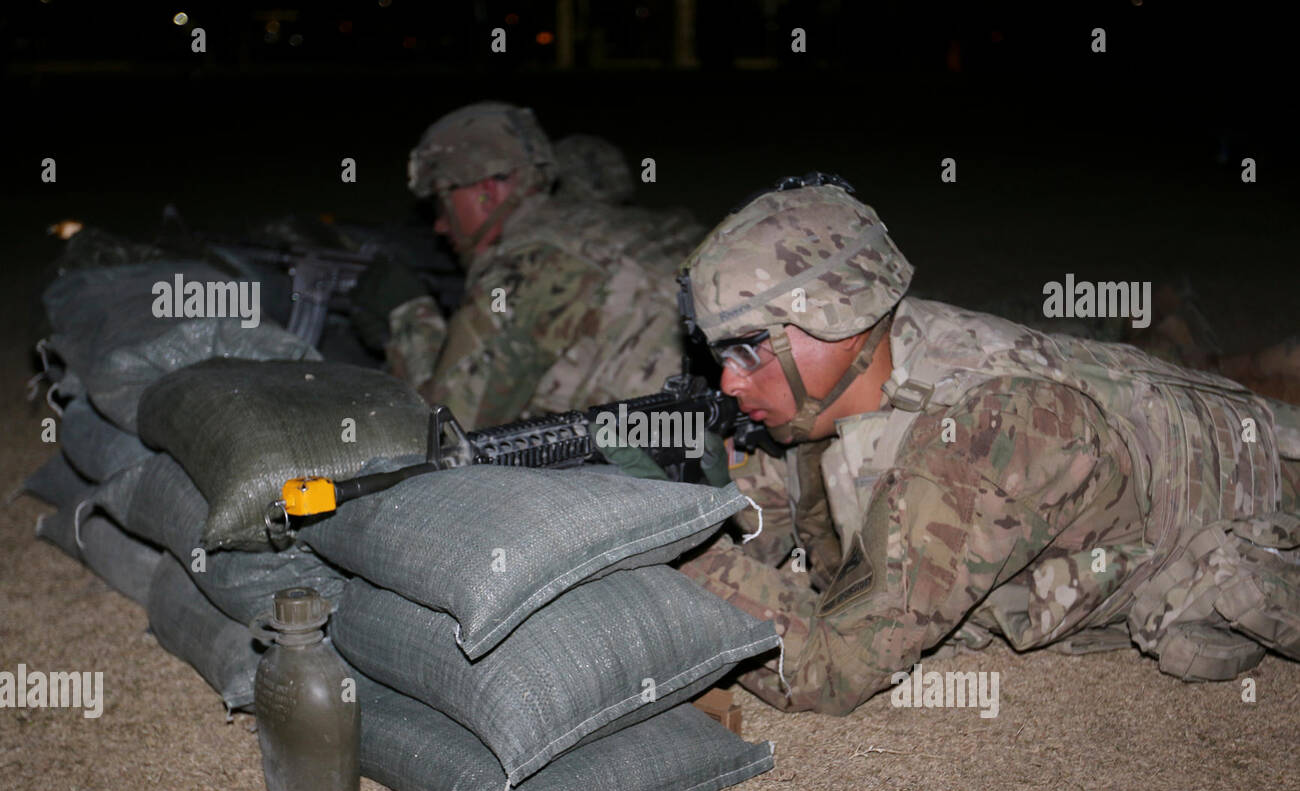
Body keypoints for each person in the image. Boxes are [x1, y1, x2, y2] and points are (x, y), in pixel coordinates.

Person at [674, 174, 1300, 717]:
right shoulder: (852, 379)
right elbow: (759, 522)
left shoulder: (982, 434)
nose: (729, 382)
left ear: (837, 322)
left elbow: (830, 668)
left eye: (749, 348)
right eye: (720, 353)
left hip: (1268, 488)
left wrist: (664, 560)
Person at [385, 102, 703, 429]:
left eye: (442, 199)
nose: (439, 224)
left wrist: (410, 316)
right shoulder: (622, 226)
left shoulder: (526, 266)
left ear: (487, 191)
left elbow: (448, 428)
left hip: (659, 458)